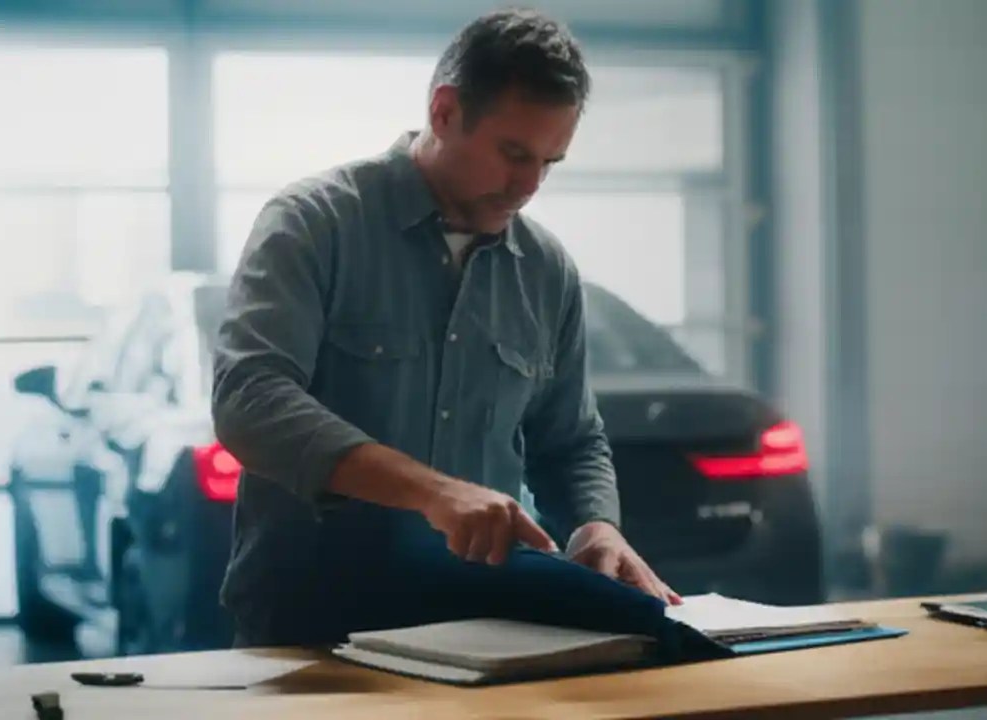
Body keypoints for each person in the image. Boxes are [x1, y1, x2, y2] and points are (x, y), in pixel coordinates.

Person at [212, 8, 679, 648]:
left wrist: (596, 526)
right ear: (443, 112)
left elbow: (569, 441)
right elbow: (250, 401)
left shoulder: (547, 272)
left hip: (483, 633)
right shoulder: (314, 224)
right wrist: (434, 493)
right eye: (513, 153)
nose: (529, 186)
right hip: (309, 629)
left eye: (551, 162)